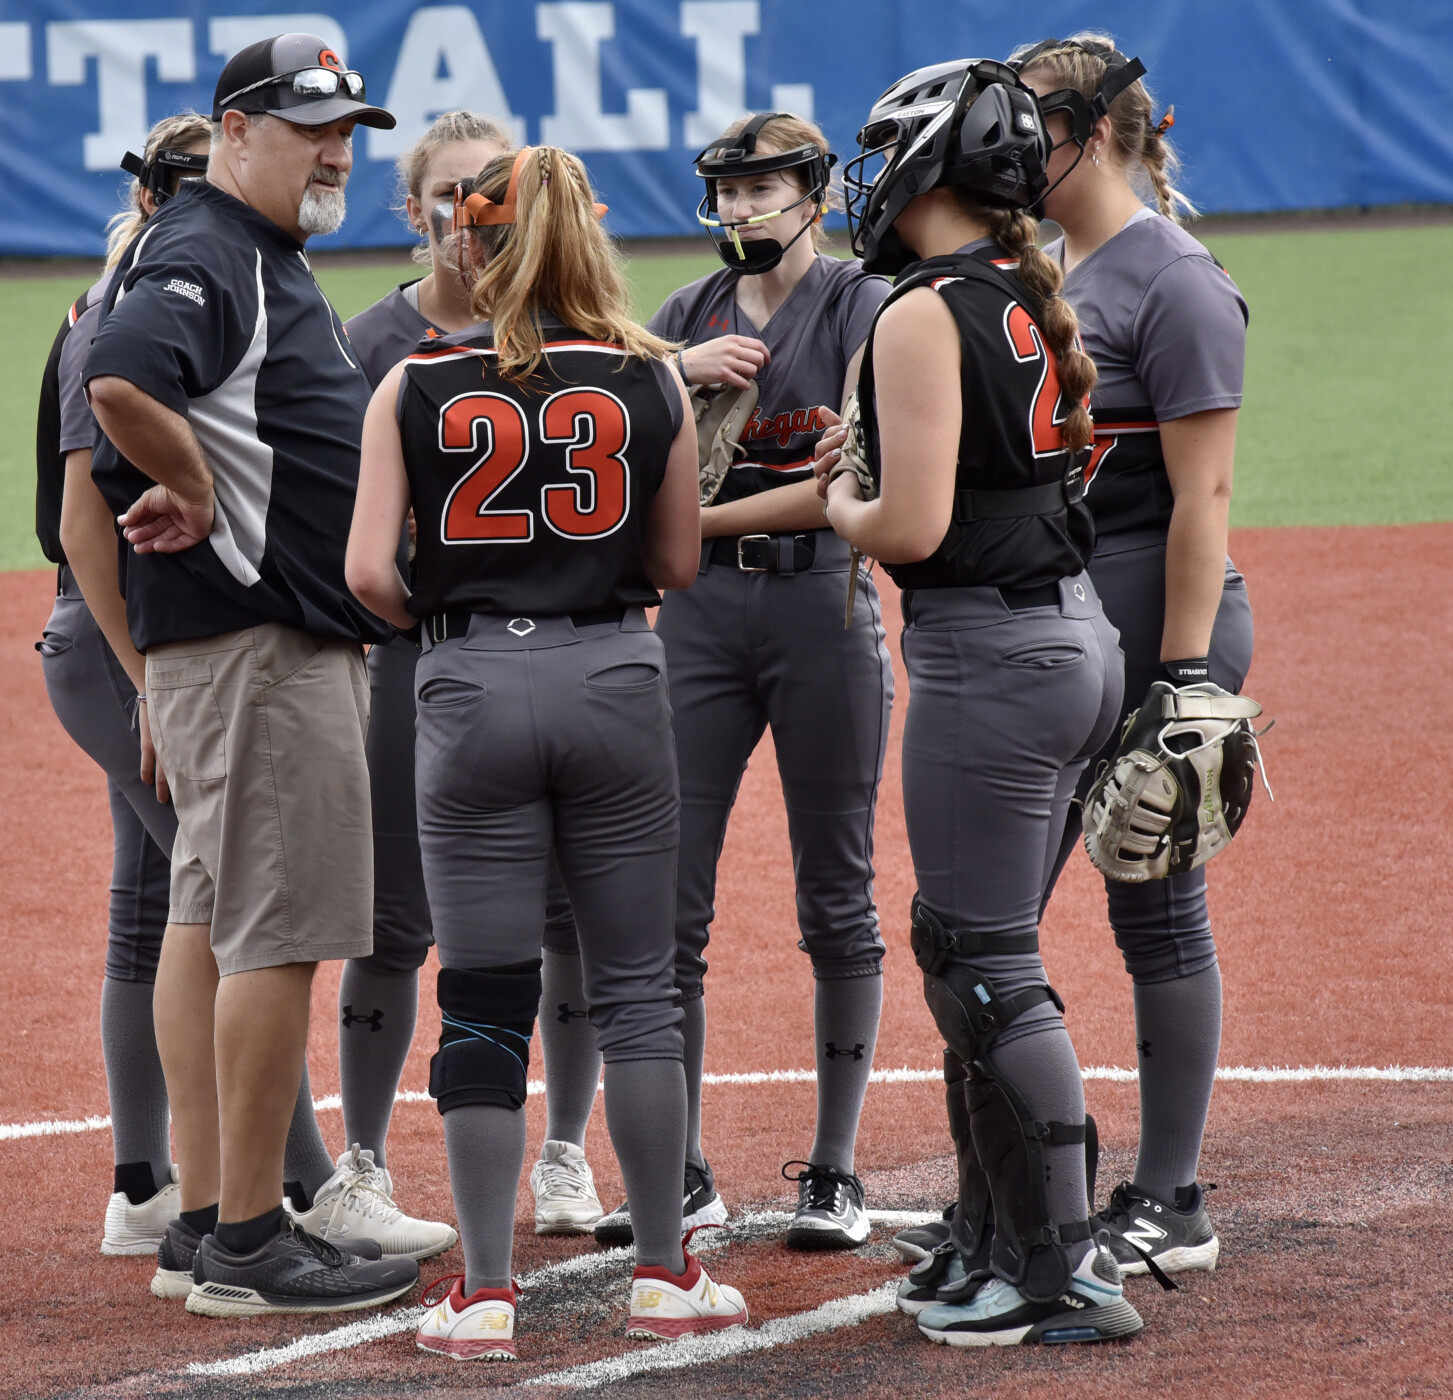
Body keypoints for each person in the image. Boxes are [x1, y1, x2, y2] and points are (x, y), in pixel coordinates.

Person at [347, 144, 746, 1360]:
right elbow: (678, 564)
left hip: (466, 681)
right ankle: (667, 1267)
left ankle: (482, 1289)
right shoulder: (649, 376)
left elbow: (368, 572)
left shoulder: (411, 381)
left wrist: (459, 627)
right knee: (634, 987)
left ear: (467, 240)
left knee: (478, 994)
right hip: (615, 674)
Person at [83, 32, 418, 1316]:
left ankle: (211, 1220)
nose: (334, 148)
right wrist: (190, 478)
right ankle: (246, 1240)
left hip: (243, 648)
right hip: (263, 647)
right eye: (305, 125)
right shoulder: (214, 244)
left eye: (345, 128)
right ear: (233, 133)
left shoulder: (254, 251)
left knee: (210, 922)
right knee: (277, 933)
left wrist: (192, 476)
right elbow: (121, 380)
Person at [818, 59, 1140, 1345]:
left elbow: (907, 523)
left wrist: (840, 506)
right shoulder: (1018, 289)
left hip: (988, 655)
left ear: (929, 168)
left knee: (985, 957)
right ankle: (1005, 1236)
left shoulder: (916, 309)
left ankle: (1061, 1266)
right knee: (972, 944)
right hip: (1064, 642)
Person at [590, 111, 894, 1253]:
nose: (739, 207)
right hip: (702, 618)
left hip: (820, 601)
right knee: (668, 903)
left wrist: (698, 518)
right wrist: (669, 366)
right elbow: (602, 422)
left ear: (813, 192)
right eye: (725, 189)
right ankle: (683, 1166)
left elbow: (848, 482)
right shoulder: (686, 315)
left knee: (838, 897)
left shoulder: (864, 302)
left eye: (762, 186)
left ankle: (835, 1167)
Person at [1009, 33, 1253, 1278]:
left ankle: (1170, 1193)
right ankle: (1019, 1188)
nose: (1006, 149)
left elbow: (1204, 498)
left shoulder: (1177, 282)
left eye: (1028, 125)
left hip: (1156, 626)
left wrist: (1182, 672)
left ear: (1094, 131)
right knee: (994, 913)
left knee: (1154, 913)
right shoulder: (1053, 262)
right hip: (1062, 629)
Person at [341, 111, 605, 1241]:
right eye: (446, 195)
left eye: (487, 193)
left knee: (568, 922)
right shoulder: (366, 345)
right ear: (412, 212)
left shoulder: (572, 335)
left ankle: (563, 1153)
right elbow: (337, 537)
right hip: (413, 660)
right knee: (389, 918)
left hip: (541, 659)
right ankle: (360, 1158)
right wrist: (424, 625)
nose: (468, 216)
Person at [35, 113, 210, 1259]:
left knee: (149, 906)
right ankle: (281, 1186)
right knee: (231, 901)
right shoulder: (117, 314)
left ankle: (141, 1183)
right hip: (120, 644)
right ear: (151, 199)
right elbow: (78, 521)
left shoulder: (141, 297)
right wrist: (146, 682)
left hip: (124, 643)